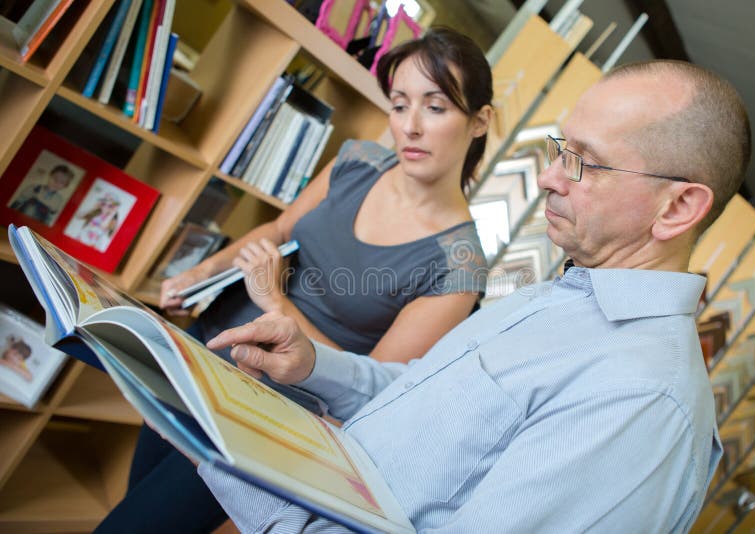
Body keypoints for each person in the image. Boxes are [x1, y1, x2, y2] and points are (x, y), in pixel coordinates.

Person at [197, 59, 751, 532]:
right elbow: (419, 398)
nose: (549, 178)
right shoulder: (556, 297)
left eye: (582, 161)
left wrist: (262, 486)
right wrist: (315, 365)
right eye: (560, 148)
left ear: (677, 208)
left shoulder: (642, 397)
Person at [96, 27, 493, 533]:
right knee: (138, 494)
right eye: (399, 104)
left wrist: (278, 304)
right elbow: (278, 229)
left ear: (480, 120)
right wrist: (202, 272)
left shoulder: (459, 267)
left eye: (435, 108)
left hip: (261, 413)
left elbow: (371, 386)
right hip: (202, 346)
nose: (410, 126)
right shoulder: (357, 162)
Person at [9, 164, 75, 226]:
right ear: (50, 176)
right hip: (20, 217)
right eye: (55, 178)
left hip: (37, 223)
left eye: (62, 182)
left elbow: (50, 216)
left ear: (65, 186)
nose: (56, 182)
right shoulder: (34, 188)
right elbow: (18, 202)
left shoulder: (58, 199)